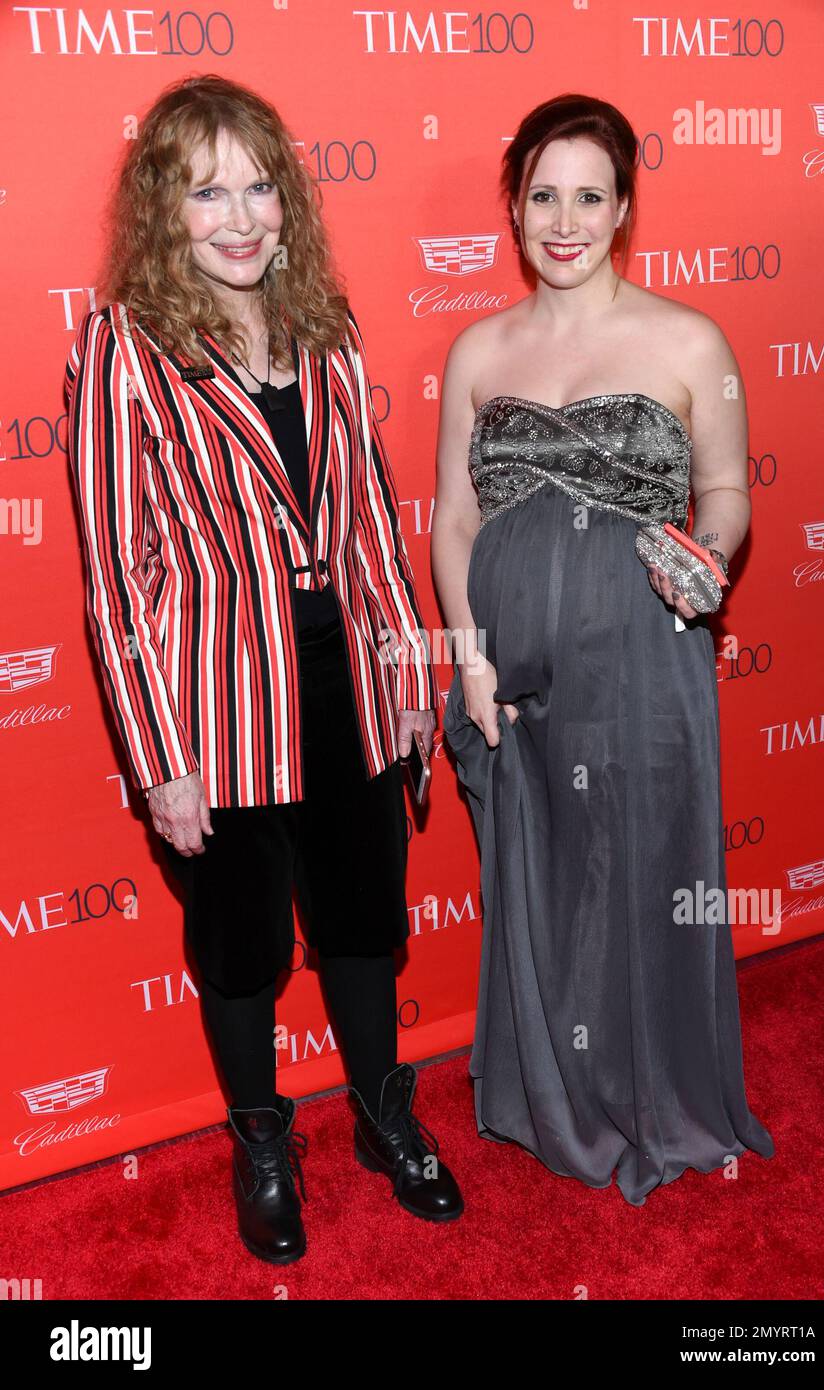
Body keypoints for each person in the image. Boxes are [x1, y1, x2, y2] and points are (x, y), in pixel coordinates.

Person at [64, 73, 463, 1265]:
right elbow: (113, 578)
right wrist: (159, 760)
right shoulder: (121, 348)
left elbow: (367, 527)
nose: (239, 217)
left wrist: (406, 687)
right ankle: (260, 1140)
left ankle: (385, 1116)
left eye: (257, 186)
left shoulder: (323, 324)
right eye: (206, 192)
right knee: (239, 948)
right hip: (214, 707)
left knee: (360, 927)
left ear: (286, 198)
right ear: (163, 211)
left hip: (345, 681)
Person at [432, 93, 774, 1206]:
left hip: (643, 654)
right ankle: (548, 1096)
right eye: (542, 195)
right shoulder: (478, 348)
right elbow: (450, 518)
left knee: (642, 867)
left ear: (624, 206)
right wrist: (468, 658)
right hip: (513, 673)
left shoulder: (687, 339)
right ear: (514, 209)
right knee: (539, 879)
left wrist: (706, 555)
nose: (564, 219)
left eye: (589, 194)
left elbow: (724, 491)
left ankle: (654, 1093)